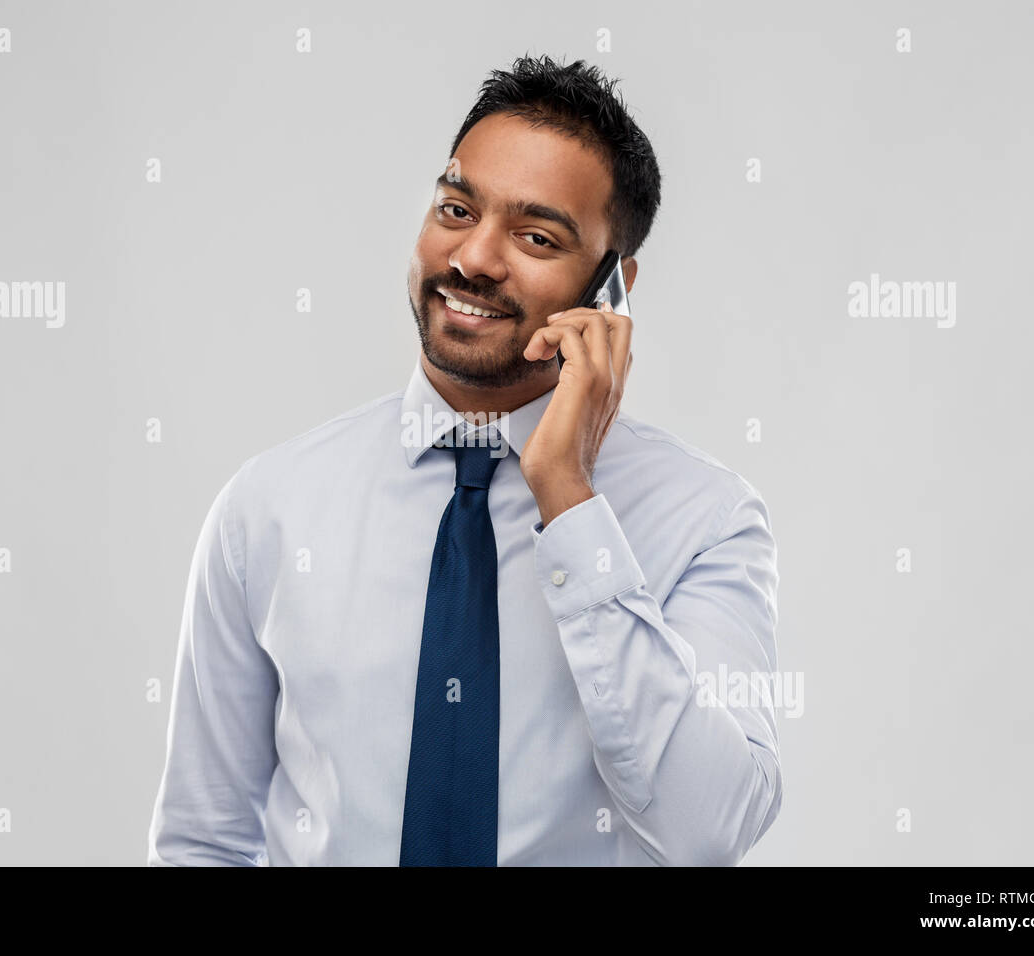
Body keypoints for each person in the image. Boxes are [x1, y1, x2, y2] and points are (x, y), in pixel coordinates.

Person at [147, 54, 782, 866]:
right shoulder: (270, 507)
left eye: (535, 235)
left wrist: (569, 499)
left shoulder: (708, 520)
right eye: (455, 208)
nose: (475, 258)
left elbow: (711, 829)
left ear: (612, 289)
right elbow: (205, 839)